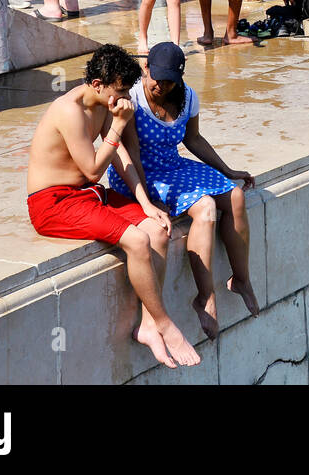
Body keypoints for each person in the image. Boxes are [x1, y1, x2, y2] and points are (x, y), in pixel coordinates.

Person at [26, 43, 201, 370]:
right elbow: (94, 168)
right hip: (53, 204)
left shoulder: (107, 104)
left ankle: (148, 326)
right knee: (137, 241)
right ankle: (165, 324)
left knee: (158, 230)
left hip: (88, 193)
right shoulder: (70, 111)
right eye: (119, 92)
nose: (124, 99)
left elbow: (120, 157)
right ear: (96, 85)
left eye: (126, 92)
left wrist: (145, 202)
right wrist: (119, 126)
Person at [106, 42, 259, 338]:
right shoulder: (133, 97)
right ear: (146, 68)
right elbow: (132, 153)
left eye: (168, 80)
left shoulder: (188, 97)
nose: (160, 86)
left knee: (236, 196)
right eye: (156, 78)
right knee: (205, 207)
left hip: (172, 165)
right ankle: (205, 296)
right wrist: (147, 201)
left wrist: (227, 170)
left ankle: (241, 279)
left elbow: (194, 139)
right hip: (138, 171)